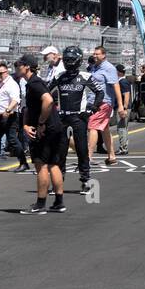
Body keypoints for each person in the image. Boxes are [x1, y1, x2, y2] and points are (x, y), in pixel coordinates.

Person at [17, 54, 68, 215]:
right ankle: (59, 202)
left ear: (27, 67)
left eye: (19, 65)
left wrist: (40, 123)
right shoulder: (33, 83)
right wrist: (26, 123)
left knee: (41, 165)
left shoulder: (34, 83)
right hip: (54, 127)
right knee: (53, 164)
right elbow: (30, 108)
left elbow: (48, 100)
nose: (17, 68)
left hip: (46, 130)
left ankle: (40, 204)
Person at [52, 46, 103, 194]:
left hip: (79, 118)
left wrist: (93, 108)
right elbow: (47, 91)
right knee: (60, 152)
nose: (69, 63)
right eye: (67, 60)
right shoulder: (59, 76)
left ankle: (85, 181)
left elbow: (99, 92)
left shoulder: (85, 76)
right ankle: (58, 182)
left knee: (82, 150)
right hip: (62, 117)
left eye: (71, 60)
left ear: (78, 61)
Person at [0, 61, 26, 172]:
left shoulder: (11, 84)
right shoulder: (1, 83)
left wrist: (8, 110)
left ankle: (23, 162)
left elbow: (16, 99)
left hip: (9, 115)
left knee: (12, 139)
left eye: (1, 73)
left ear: (6, 72)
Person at [89, 46, 124, 166]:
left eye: (97, 54)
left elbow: (116, 86)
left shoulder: (109, 68)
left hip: (103, 102)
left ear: (104, 55)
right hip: (93, 102)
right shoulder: (94, 67)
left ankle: (88, 157)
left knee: (92, 126)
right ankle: (112, 156)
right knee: (104, 128)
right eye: (94, 54)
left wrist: (120, 105)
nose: (94, 55)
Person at [114, 64, 131, 155]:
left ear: (118, 72)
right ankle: (124, 147)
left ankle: (123, 148)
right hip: (124, 108)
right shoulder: (123, 81)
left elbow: (127, 95)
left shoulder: (122, 82)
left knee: (121, 128)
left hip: (123, 108)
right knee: (123, 128)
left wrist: (124, 108)